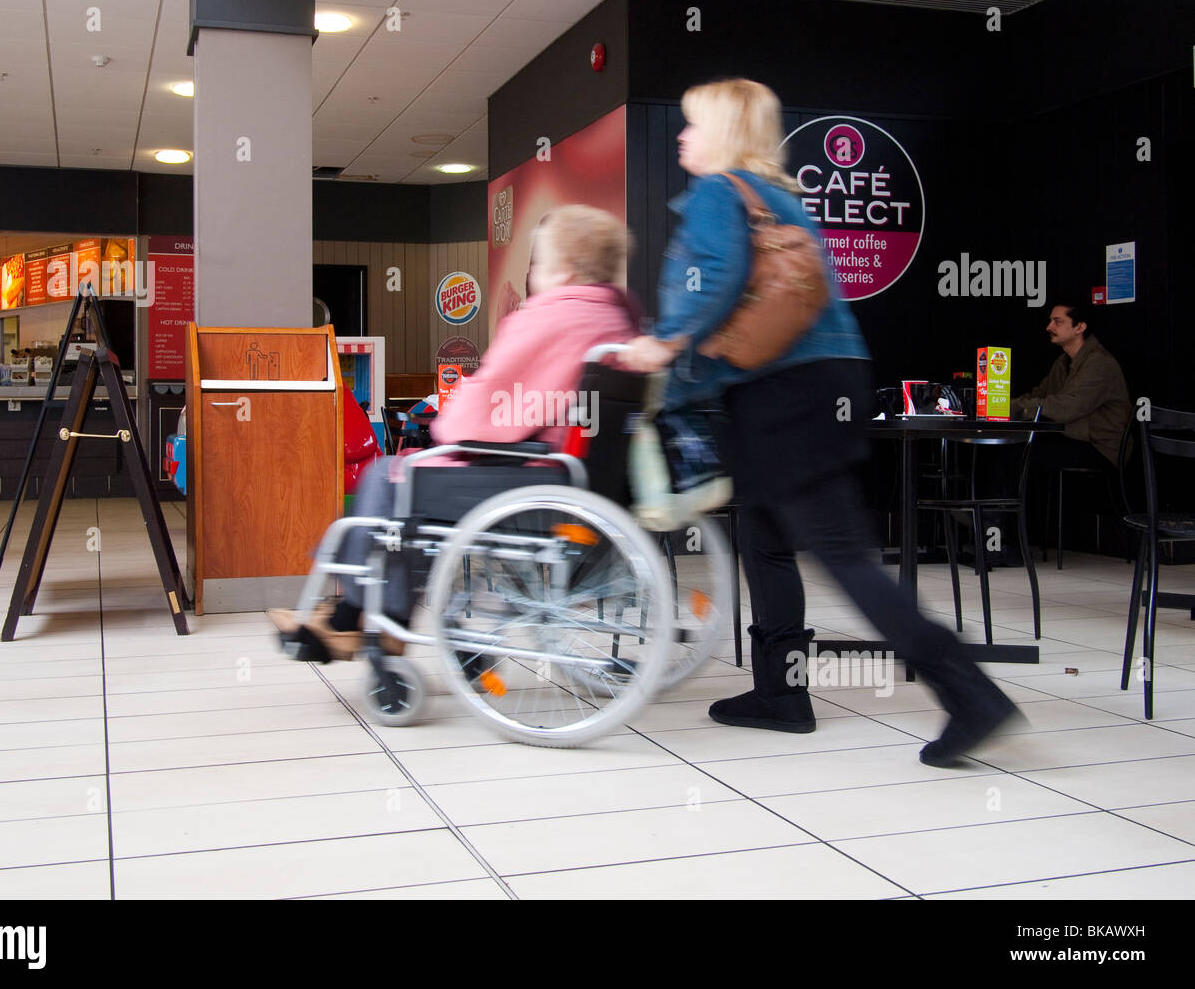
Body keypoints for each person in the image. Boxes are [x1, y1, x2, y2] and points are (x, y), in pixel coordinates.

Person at [621, 77, 1020, 768]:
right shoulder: (779, 199)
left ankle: (970, 694)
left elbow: (717, 280)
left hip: (787, 394)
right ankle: (783, 692)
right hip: (820, 383)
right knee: (766, 539)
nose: (681, 138)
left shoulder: (723, 193)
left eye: (692, 126)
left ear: (724, 133)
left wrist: (666, 341)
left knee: (842, 555)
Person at [269, 204, 642, 662]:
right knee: (403, 485)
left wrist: (446, 427)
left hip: (530, 482)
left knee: (387, 476)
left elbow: (485, 403)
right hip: (573, 481)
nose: (535, 273)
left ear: (563, 269)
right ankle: (366, 616)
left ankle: (363, 618)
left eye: (539, 262)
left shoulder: (549, 318)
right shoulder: (619, 325)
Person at [1011, 299, 1130, 471]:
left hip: (1101, 448)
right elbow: (1039, 395)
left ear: (1080, 327)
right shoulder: (1062, 362)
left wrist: (1013, 407)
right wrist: (1000, 407)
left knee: (1027, 453)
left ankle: (1016, 498)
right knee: (1019, 448)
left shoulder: (1099, 363)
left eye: (1057, 321)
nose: (1049, 327)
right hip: (1073, 439)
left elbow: (1066, 408)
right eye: (1050, 321)